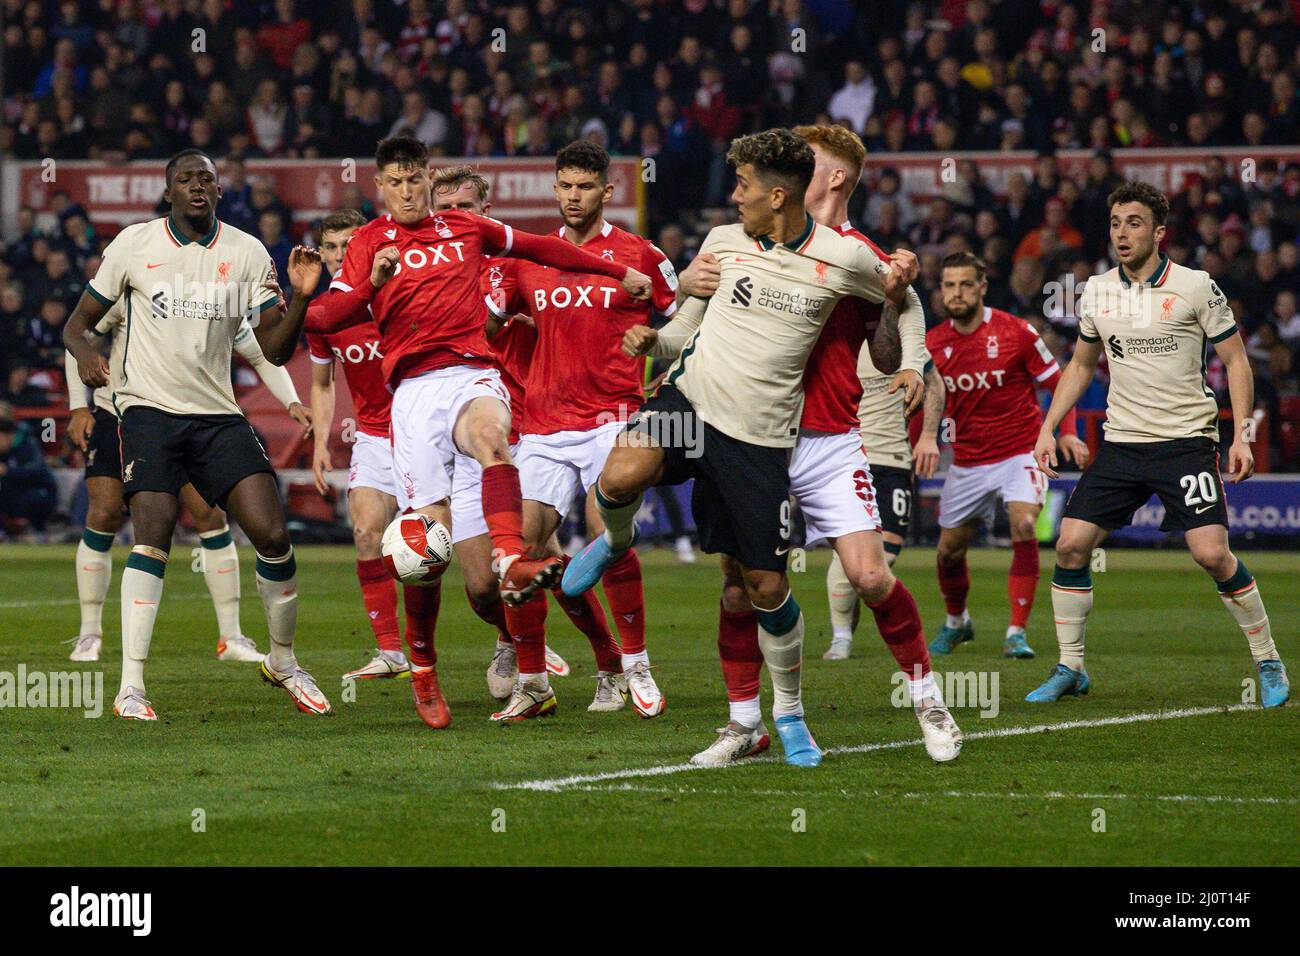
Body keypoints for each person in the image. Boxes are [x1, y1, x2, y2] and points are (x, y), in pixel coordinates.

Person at [565, 129, 918, 767]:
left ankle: (787, 716)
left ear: (777, 195)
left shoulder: (844, 258)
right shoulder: (724, 243)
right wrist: (656, 340)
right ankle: (616, 541)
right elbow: (687, 328)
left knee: (761, 586)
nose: (733, 197)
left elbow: (900, 302)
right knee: (619, 476)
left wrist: (904, 333)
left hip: (758, 437)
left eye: (743, 186)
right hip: (691, 406)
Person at [305, 135, 651, 729]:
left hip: (473, 376)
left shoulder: (466, 231)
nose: (409, 190)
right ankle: (421, 665)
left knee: (491, 441)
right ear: (380, 187)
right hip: (412, 396)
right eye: (397, 181)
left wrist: (617, 270)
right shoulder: (369, 244)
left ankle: (516, 560)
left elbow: (547, 249)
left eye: (417, 178)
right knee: (444, 568)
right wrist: (371, 286)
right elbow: (322, 319)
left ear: (427, 178)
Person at [63, 148, 330, 720]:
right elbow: (76, 326)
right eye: (186, 179)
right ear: (169, 192)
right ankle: (131, 685)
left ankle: (283, 661)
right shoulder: (134, 245)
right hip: (148, 412)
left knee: (274, 535)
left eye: (206, 178)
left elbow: (274, 347)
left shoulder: (248, 251)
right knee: (152, 531)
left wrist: (303, 296)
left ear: (218, 189)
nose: (197, 186)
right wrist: (86, 358)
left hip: (218, 416)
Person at [1030, 181, 1288, 708]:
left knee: (1212, 554)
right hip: (1123, 445)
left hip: (1185, 443)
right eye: (1115, 223)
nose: (1122, 234)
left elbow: (1237, 361)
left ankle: (1267, 658)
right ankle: (1071, 667)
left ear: (1159, 232)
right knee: (1071, 545)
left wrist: (1240, 436)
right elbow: (1080, 365)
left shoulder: (1196, 287)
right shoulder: (1097, 290)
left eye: (1134, 223)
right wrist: (1050, 426)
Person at [478, 140, 678, 720]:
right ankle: (535, 682)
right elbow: (490, 330)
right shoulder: (529, 257)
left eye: (584, 186)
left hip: (611, 417)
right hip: (542, 424)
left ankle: (635, 666)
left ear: (606, 191)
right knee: (520, 551)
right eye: (564, 185)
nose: (572, 196)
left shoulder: (640, 253)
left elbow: (686, 316)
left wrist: (667, 369)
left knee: (605, 532)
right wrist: (494, 317)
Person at [64, 296, 312, 664]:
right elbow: (79, 336)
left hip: (193, 419)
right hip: (118, 412)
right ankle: (89, 633)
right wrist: (78, 405)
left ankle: (231, 636)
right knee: (103, 513)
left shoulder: (213, 295)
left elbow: (259, 353)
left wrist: (291, 401)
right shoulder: (133, 288)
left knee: (210, 515)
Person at [920, 252, 1088, 659]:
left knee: (1025, 523)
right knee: (949, 551)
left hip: (1020, 451)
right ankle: (957, 622)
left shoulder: (1017, 333)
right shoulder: (932, 343)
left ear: (982, 287)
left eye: (964, 284)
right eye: (948, 285)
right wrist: (924, 439)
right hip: (968, 459)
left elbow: (1059, 381)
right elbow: (927, 401)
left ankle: (1016, 631)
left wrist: (1064, 432)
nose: (956, 293)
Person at [0, 402, 57, 535]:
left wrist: (7, 471)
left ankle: (35, 530)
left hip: (38, 492)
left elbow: (36, 470)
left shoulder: (27, 441)